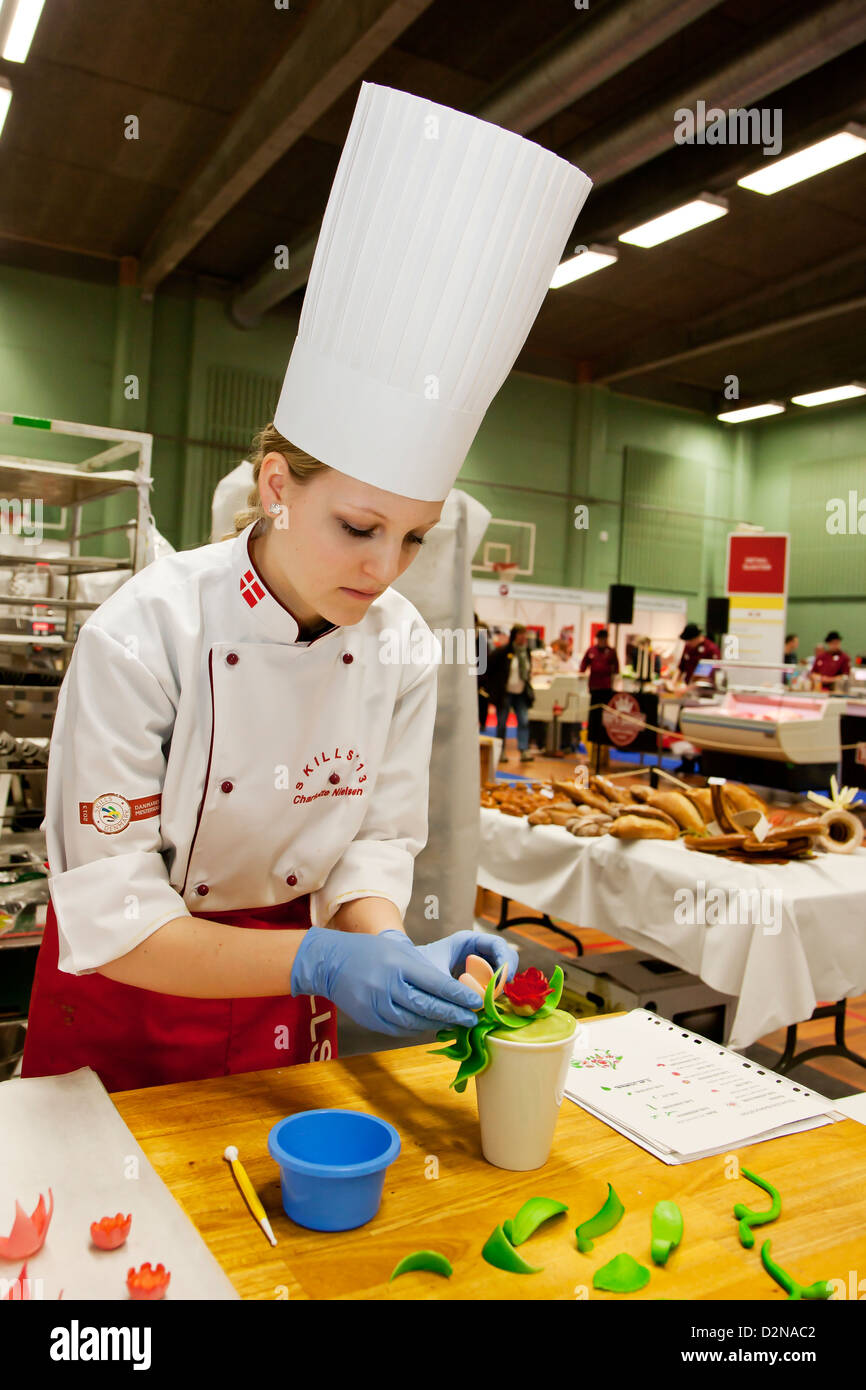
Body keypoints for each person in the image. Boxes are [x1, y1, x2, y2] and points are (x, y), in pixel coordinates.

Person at [21, 80, 589, 1091]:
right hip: (128, 994)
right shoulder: (141, 631)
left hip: (283, 1006)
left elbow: (371, 844)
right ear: (276, 488)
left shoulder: (406, 642)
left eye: (415, 538)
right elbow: (112, 913)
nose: (384, 570)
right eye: (358, 527)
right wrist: (319, 958)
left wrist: (393, 949)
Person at [487, 624, 535, 763]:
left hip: (521, 693)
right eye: (521, 634)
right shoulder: (502, 652)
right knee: (502, 723)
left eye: (525, 634)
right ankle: (500, 751)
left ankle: (524, 749)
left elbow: (527, 670)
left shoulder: (526, 652)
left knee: (524, 721)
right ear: (515, 635)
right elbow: (490, 668)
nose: (523, 637)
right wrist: (493, 688)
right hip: (505, 693)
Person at [580, 628, 620, 771]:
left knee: (605, 721)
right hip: (594, 689)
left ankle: (603, 755)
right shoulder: (591, 651)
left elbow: (616, 670)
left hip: (606, 689)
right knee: (594, 720)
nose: (602, 641)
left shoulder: (611, 652)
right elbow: (583, 667)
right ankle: (593, 753)